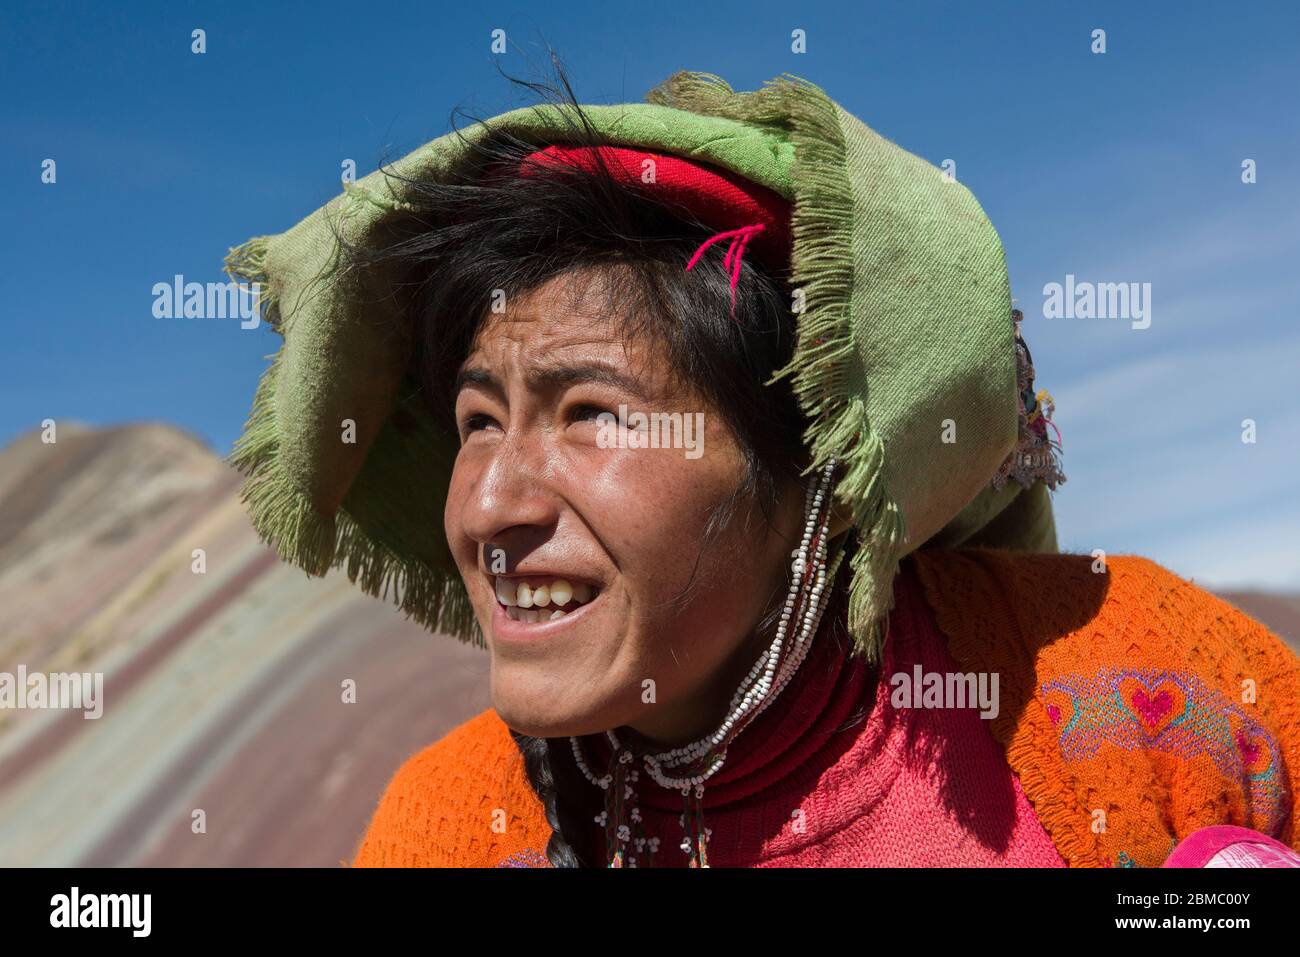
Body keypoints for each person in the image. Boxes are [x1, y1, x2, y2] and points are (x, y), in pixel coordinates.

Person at [224, 65, 1300, 868]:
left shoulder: (1150, 693)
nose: (491, 507)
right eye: (475, 422)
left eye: (591, 414)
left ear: (816, 477)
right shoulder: (445, 827)